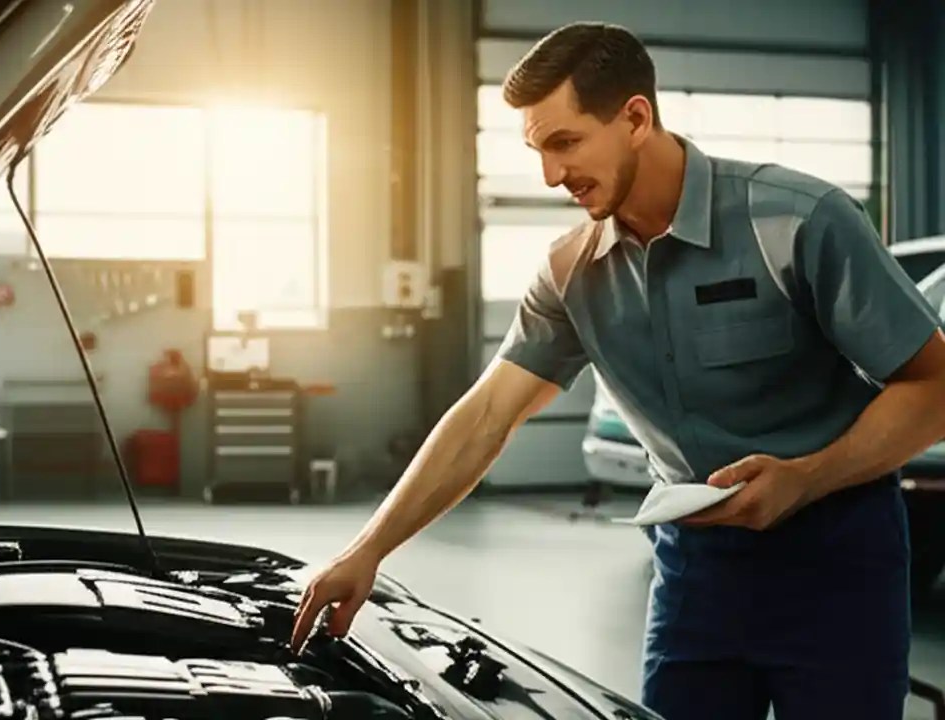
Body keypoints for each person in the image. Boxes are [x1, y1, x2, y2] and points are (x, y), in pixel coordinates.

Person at [291, 21, 945, 720]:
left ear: (635, 117)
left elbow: (933, 388)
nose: (549, 174)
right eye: (537, 148)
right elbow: (487, 414)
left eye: (565, 142)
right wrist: (368, 551)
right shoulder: (570, 273)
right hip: (697, 574)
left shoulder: (799, 220)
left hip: (837, 562)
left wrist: (807, 477)